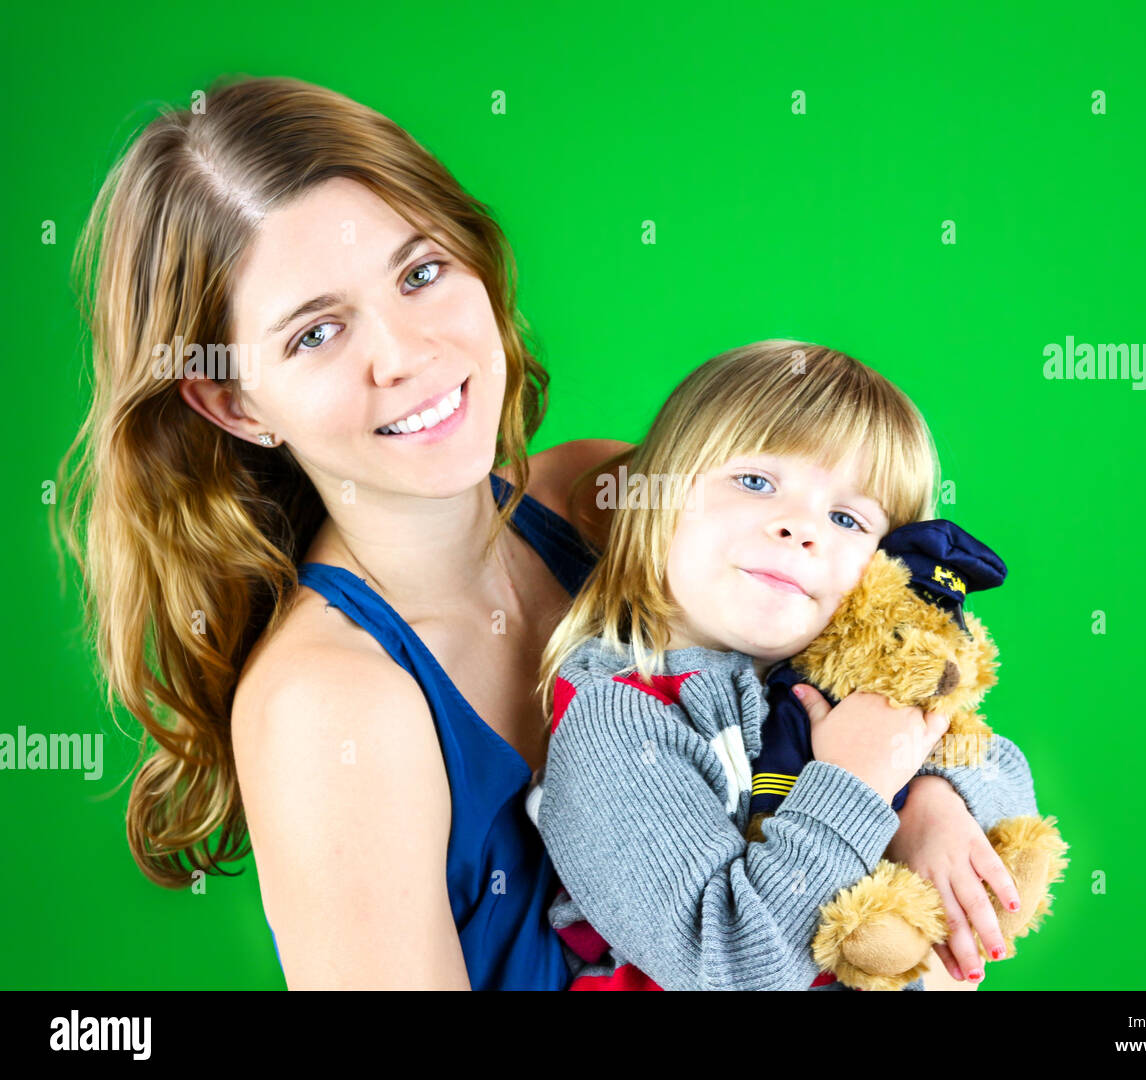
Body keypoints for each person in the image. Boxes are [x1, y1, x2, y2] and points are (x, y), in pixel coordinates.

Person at [55, 73, 632, 989]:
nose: (405, 355)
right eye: (316, 334)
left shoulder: (608, 501)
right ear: (237, 404)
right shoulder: (328, 712)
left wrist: (924, 808)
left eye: (420, 273)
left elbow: (891, 629)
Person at [533, 341, 1039, 990]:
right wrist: (856, 782)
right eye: (755, 481)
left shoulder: (843, 672)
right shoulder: (620, 718)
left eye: (846, 518)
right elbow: (730, 967)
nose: (801, 529)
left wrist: (932, 807)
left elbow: (992, 764)